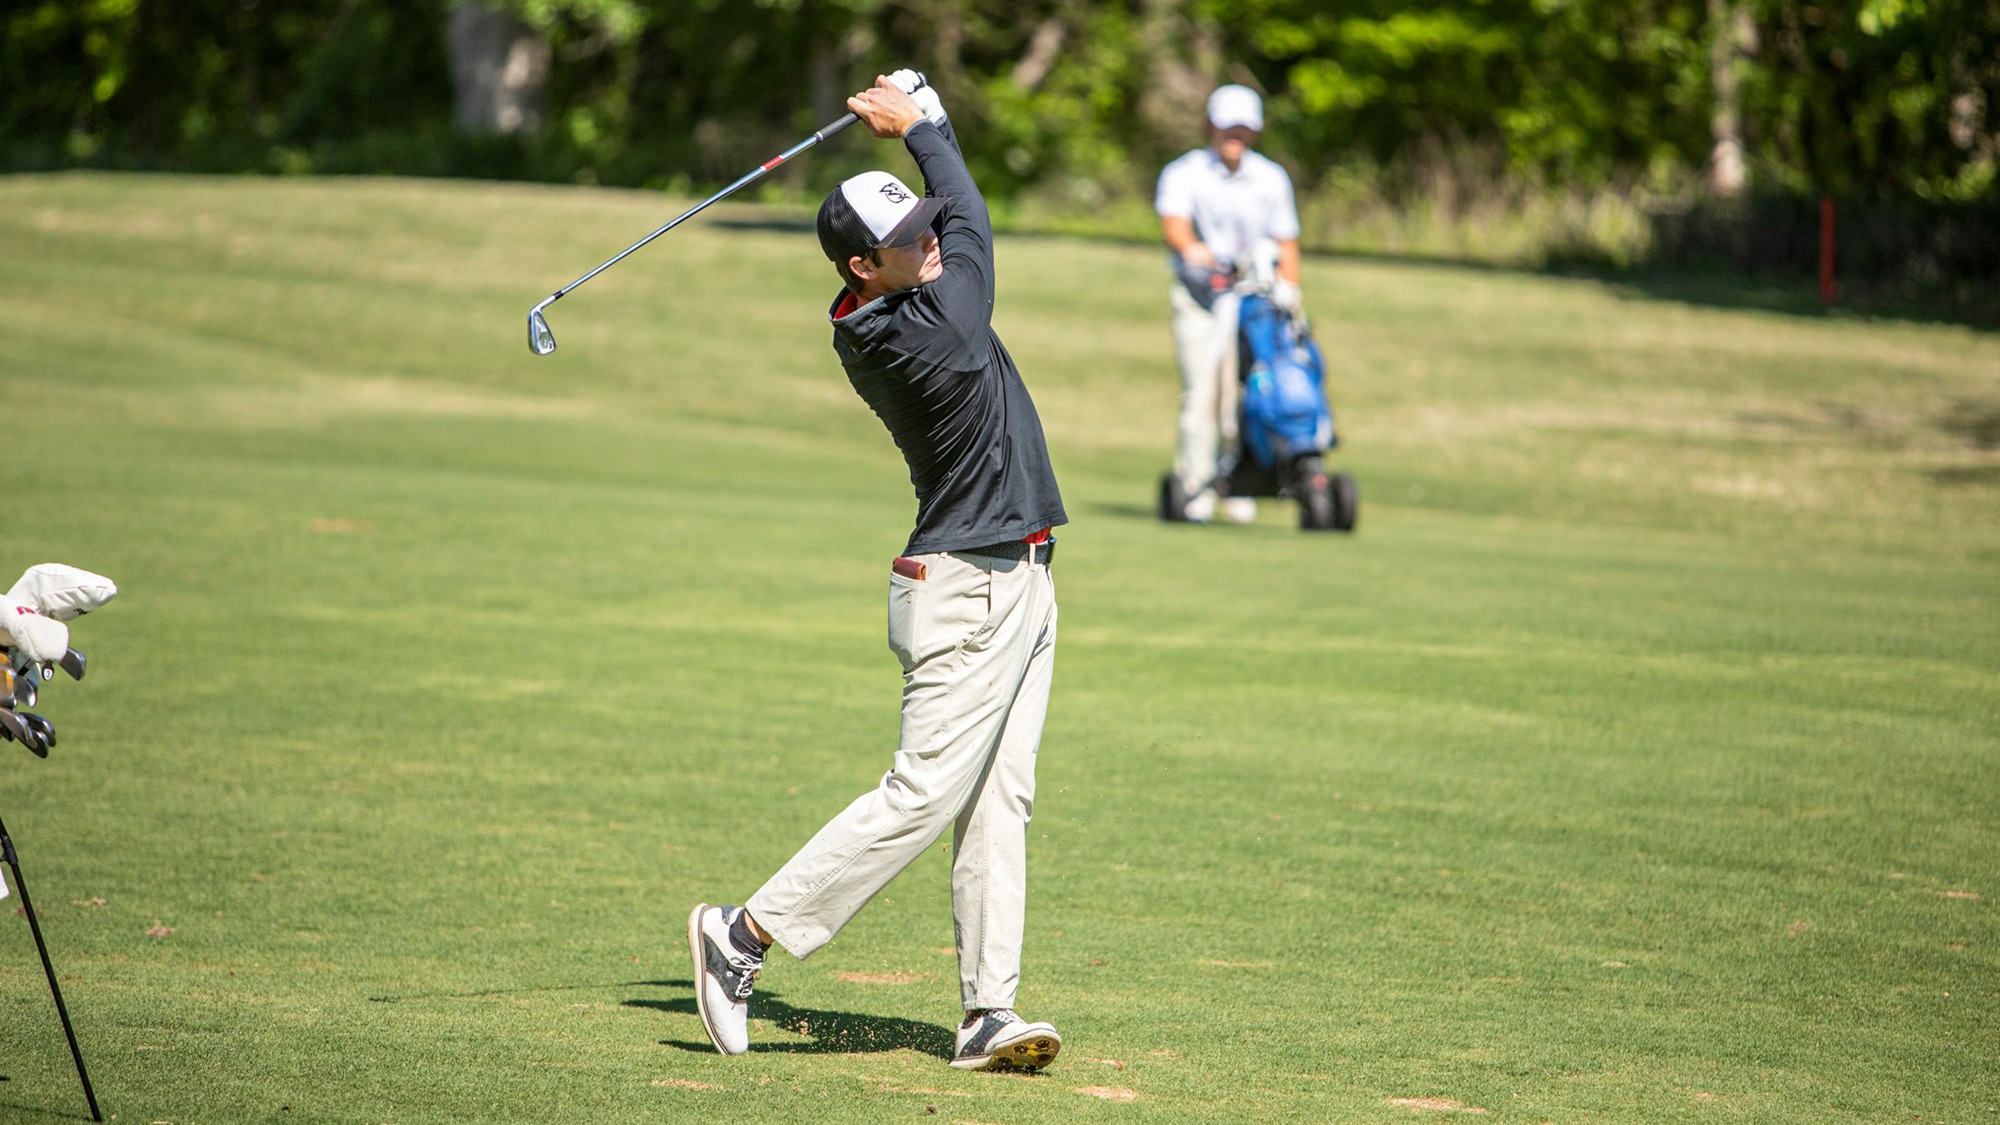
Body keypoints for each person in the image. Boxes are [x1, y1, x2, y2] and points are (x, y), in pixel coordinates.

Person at [686, 71, 1068, 1074]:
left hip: (1019, 579)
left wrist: (922, 132)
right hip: (968, 590)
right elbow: (976, 221)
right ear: (863, 267)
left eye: (923, 228)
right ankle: (742, 934)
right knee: (923, 794)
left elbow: (955, 216)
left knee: (999, 799)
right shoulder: (931, 330)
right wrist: (925, 125)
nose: (931, 242)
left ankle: (986, 1013)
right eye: (908, 241)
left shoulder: (904, 298)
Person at [1155, 83, 1304, 524]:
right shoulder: (1185, 172)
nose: (1234, 136)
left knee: (1250, 391)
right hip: (1201, 296)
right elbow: (1175, 225)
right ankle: (1194, 486)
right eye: (1227, 127)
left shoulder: (1271, 177)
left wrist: (1291, 290)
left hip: (1255, 299)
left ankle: (1237, 482)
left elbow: (1286, 242)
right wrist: (1193, 250)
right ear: (1211, 127)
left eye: (1243, 128)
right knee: (1202, 390)